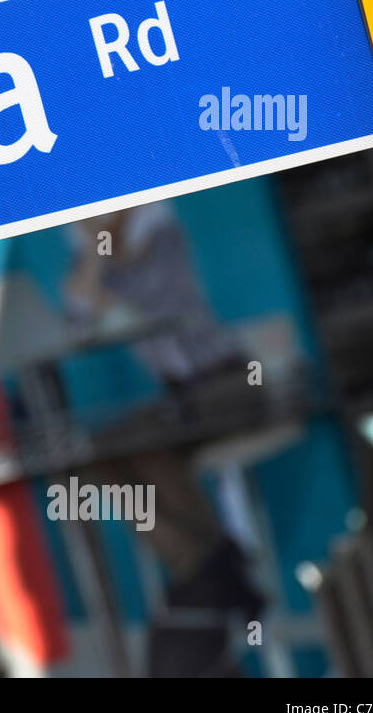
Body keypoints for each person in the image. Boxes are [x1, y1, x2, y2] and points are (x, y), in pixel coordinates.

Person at [63, 202, 265, 677]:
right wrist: (93, 255)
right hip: (182, 397)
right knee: (103, 454)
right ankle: (207, 560)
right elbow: (76, 316)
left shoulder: (161, 233)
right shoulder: (99, 256)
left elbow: (154, 305)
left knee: (146, 446)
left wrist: (100, 262)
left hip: (226, 381)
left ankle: (214, 566)